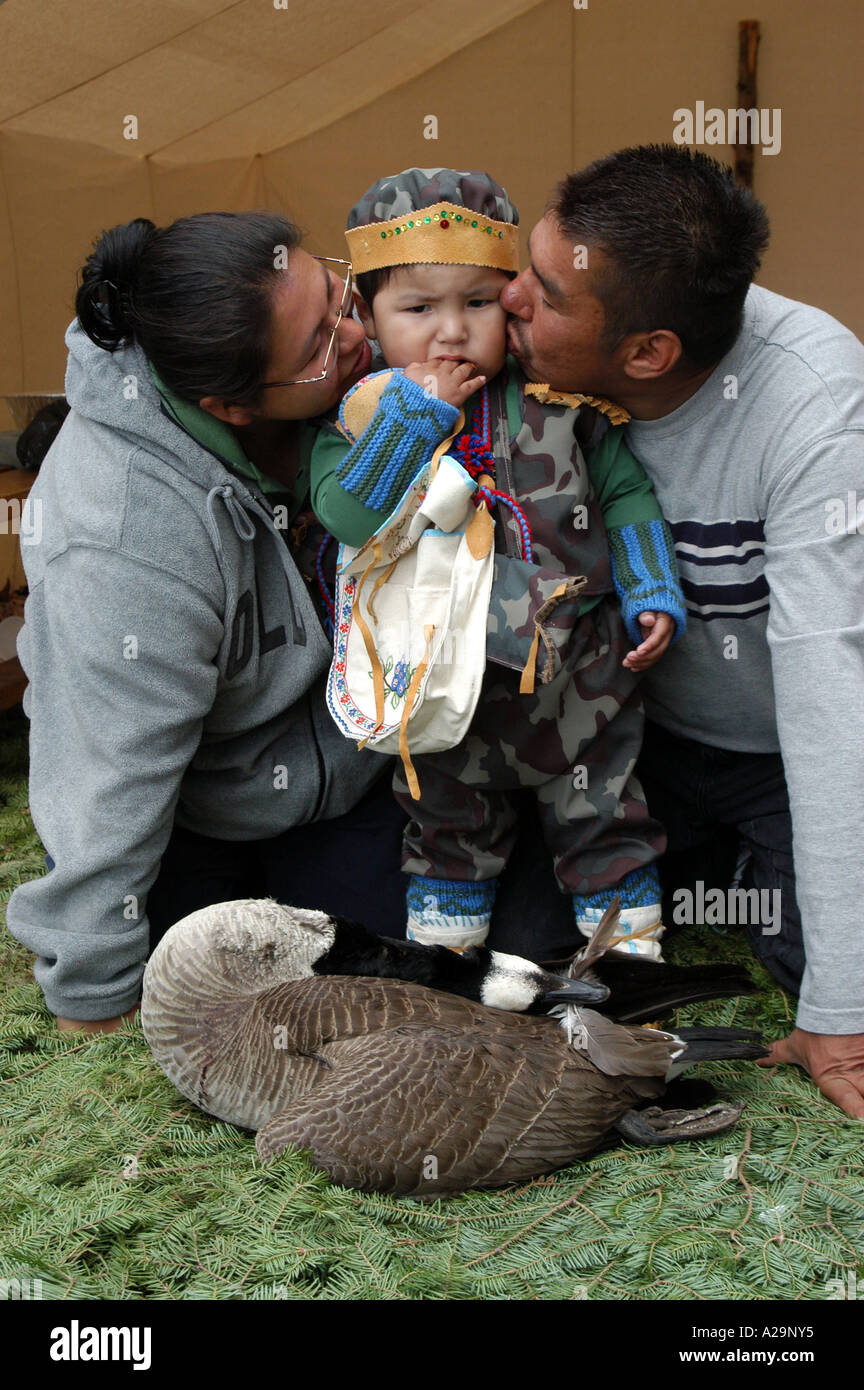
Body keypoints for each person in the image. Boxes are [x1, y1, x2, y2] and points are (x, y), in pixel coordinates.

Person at [501, 144, 864, 1118]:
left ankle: (748, 865)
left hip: (776, 751)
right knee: (526, 947)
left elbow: (832, 697)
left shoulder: (816, 406)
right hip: (628, 745)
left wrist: (841, 1005)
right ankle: (700, 863)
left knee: (813, 956)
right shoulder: (508, 365)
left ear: (648, 354)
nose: (508, 302)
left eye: (543, 292)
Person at [5, 210, 415, 1034]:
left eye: (337, 293)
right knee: (221, 1004)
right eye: (319, 345)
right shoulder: (124, 537)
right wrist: (94, 994)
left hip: (344, 760)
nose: (356, 332)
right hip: (194, 805)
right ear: (228, 405)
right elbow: (108, 768)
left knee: (400, 978)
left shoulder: (339, 370)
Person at [310, 168, 687, 956]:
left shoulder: (559, 397)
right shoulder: (358, 418)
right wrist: (416, 419)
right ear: (369, 318)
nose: (451, 332)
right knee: (449, 831)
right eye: (417, 309)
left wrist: (653, 584)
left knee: (607, 813)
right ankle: (448, 971)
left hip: (581, 681)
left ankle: (631, 973)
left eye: (477, 303)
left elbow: (623, 491)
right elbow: (345, 513)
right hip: (443, 698)